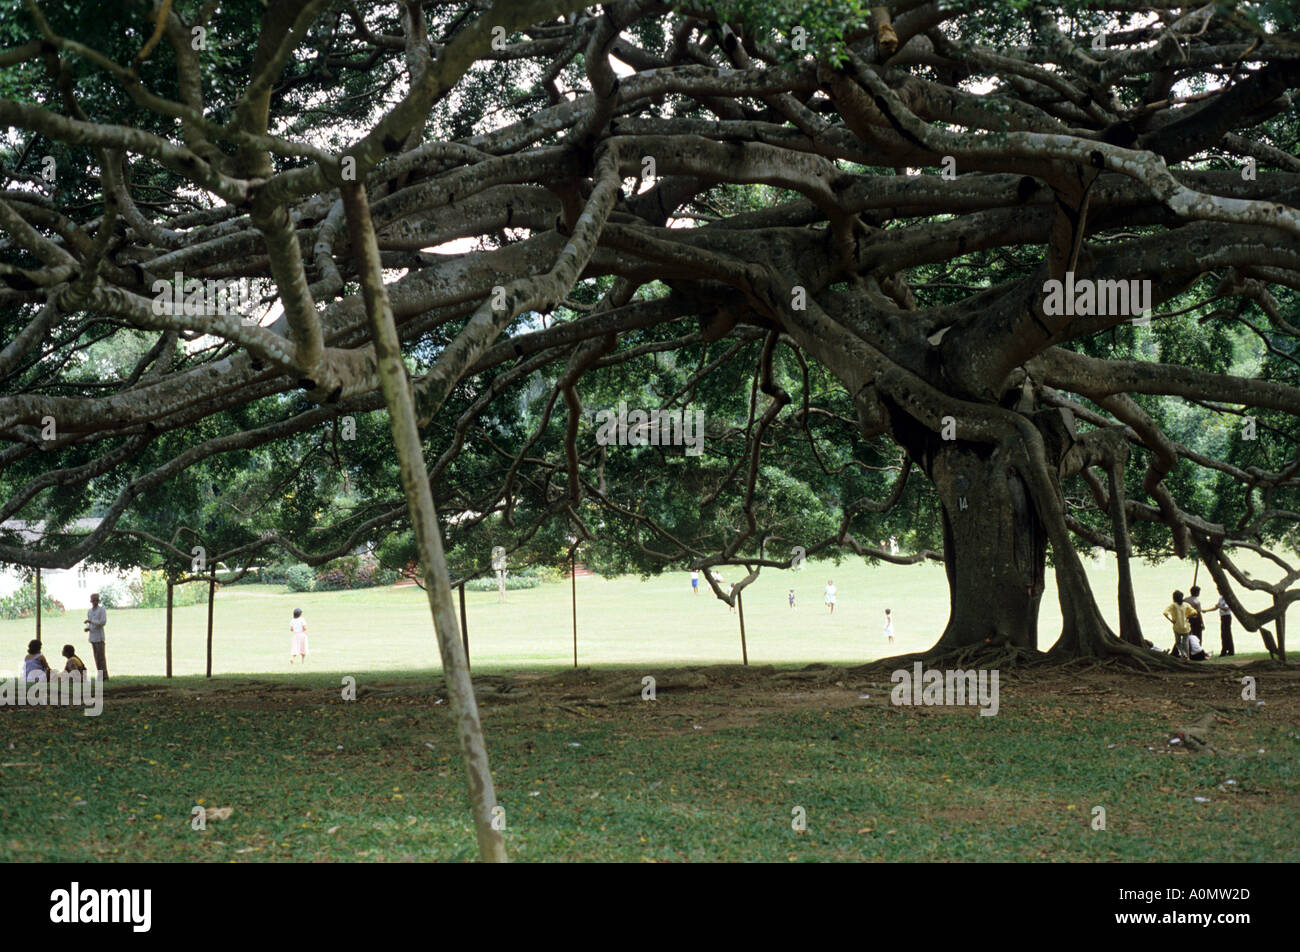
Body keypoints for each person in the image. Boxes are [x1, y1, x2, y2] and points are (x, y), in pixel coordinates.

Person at [1163, 590, 1197, 657]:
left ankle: (1183, 654)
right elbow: (1194, 612)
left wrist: (1171, 621)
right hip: (1186, 627)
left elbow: (1165, 613)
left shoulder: (1173, 605)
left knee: (1178, 643)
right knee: (1185, 643)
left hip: (1177, 627)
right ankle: (1187, 656)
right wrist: (1187, 617)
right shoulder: (1186, 605)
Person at [84, 592, 108, 679]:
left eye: (96, 600)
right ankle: (100, 675)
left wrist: (91, 622)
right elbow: (91, 624)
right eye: (93, 600)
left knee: (101, 658)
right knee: (96, 658)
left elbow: (102, 622)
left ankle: (104, 676)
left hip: (99, 637)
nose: (95, 602)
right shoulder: (89, 611)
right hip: (92, 638)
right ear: (91, 601)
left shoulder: (102, 610)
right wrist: (88, 628)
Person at [1187, 585, 1206, 652]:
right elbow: (1198, 613)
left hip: (1187, 619)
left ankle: (1189, 650)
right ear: (1197, 592)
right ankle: (1198, 650)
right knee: (1198, 636)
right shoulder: (1196, 601)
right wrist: (1202, 623)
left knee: (1189, 636)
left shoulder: (1186, 600)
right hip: (1195, 620)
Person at [1216, 591, 1235, 656]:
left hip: (1227, 617)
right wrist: (1207, 610)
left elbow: (1226, 608)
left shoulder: (1227, 598)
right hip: (1222, 617)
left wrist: (1219, 606)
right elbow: (1216, 607)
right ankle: (1225, 650)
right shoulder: (1221, 598)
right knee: (1224, 634)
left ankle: (1229, 651)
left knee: (1227, 634)